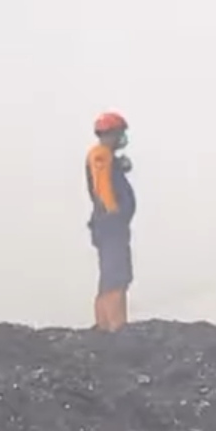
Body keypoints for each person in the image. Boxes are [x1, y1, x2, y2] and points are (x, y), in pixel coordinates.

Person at [85, 111, 136, 332]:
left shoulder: (107, 158)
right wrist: (114, 213)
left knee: (111, 274)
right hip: (110, 225)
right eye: (120, 133)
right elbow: (102, 187)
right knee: (116, 275)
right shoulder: (100, 155)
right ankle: (115, 324)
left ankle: (106, 324)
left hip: (110, 224)